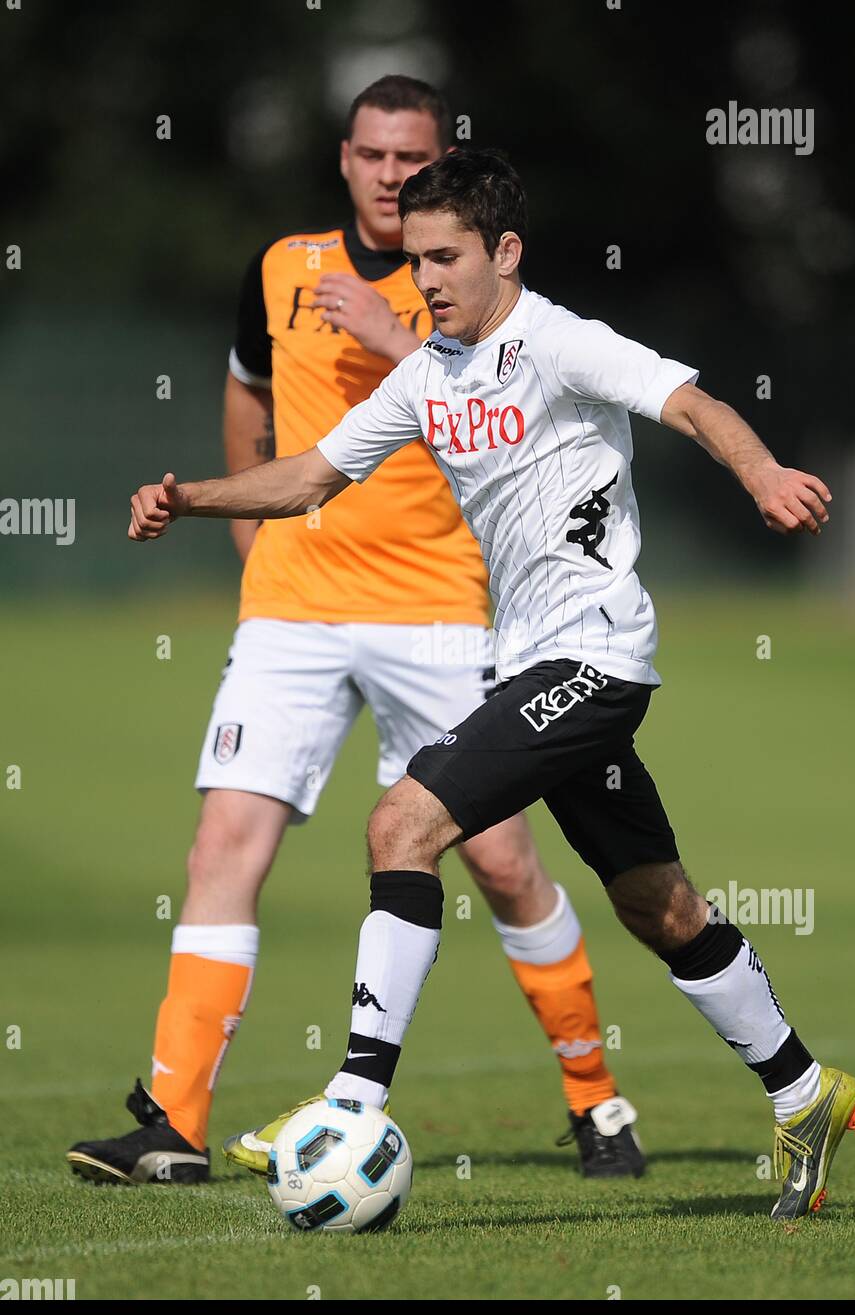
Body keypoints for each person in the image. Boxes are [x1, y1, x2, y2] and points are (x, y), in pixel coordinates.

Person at [124, 147, 855, 1220]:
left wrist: (760, 471)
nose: (424, 279)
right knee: (660, 906)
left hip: (595, 658)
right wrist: (189, 498)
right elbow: (309, 477)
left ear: (504, 253)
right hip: (533, 667)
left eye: (446, 257)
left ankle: (348, 1102)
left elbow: (693, 403)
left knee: (400, 825)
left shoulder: (558, 342)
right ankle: (806, 1090)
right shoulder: (429, 374)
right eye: (416, 259)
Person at [66, 83, 644, 1192]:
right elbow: (247, 400)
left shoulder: (471, 284)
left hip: (438, 608)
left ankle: (593, 1100)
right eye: (373, 154)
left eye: (410, 156)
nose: (389, 174)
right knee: (222, 848)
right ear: (344, 159)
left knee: (505, 860)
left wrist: (391, 337)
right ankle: (173, 1126)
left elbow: (503, 407)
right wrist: (243, 541)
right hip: (293, 606)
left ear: (443, 167)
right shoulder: (280, 267)